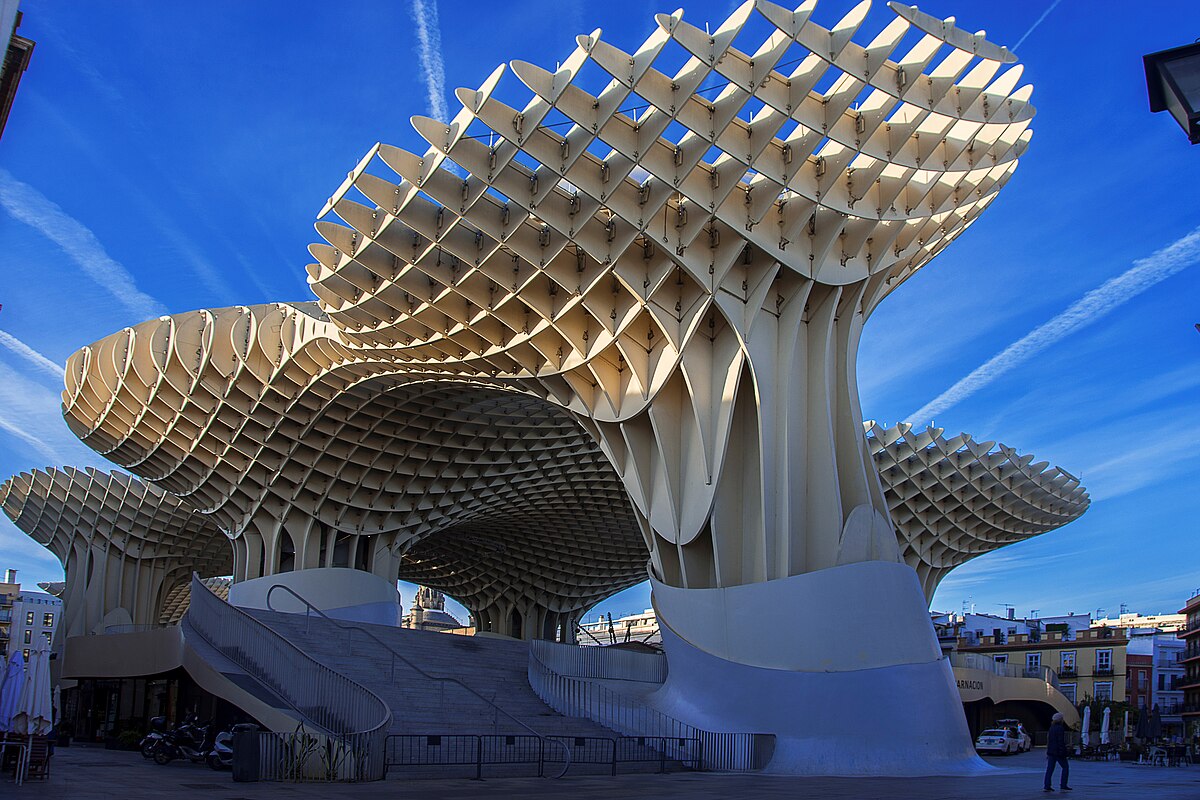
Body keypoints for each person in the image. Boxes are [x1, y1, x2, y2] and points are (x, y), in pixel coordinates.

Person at [1045, 712, 1072, 792]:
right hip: (1058, 752)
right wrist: (1064, 751)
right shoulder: (1060, 728)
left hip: (1051, 751)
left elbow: (1049, 740)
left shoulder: (1051, 728)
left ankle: (1047, 785)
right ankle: (1063, 784)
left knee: (1050, 769)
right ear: (1060, 720)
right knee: (1065, 767)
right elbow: (1060, 741)